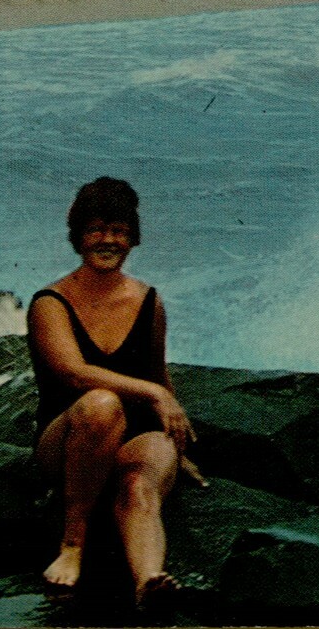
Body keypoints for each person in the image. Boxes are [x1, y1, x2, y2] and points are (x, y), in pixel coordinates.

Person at [27, 177, 200, 607]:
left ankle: (149, 580)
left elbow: (158, 372)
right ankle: (73, 545)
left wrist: (178, 445)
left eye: (119, 231)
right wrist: (154, 394)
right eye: (96, 230)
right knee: (102, 405)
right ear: (78, 237)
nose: (108, 240)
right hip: (70, 440)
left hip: (134, 437)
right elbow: (72, 373)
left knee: (140, 485)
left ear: (133, 239)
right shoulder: (50, 301)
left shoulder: (149, 301)